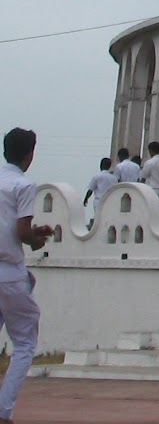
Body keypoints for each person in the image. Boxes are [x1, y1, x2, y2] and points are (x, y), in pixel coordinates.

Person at [1, 127, 55, 424]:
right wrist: (35, 239)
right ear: (29, 155)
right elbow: (21, 232)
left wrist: (32, 233)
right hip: (9, 273)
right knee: (24, 344)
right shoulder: (23, 185)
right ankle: (4, 411)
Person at [83, 158, 117, 223]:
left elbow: (90, 189)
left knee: (98, 219)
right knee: (107, 219)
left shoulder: (97, 176)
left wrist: (86, 199)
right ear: (109, 166)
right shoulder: (114, 178)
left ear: (100, 165)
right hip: (109, 201)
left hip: (99, 201)